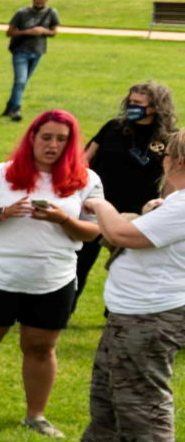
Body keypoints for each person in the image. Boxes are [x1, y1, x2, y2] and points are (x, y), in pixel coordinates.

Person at [0, 110, 102, 435]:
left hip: (53, 280)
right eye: (46, 137)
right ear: (32, 137)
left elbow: (92, 233)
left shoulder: (87, 180)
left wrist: (62, 219)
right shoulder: (1, 174)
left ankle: (36, 416)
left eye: (62, 139)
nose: (53, 145)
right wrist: (4, 213)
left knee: (41, 349)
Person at [63, 135, 185, 442]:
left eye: (166, 155)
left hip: (153, 312)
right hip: (132, 308)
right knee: (107, 384)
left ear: (176, 162)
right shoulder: (175, 202)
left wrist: (99, 204)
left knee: (141, 394)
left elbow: (121, 234)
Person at [75, 83, 177, 299]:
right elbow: (84, 159)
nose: (132, 106)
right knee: (79, 263)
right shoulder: (113, 127)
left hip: (136, 216)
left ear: (156, 107)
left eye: (139, 103)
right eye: (130, 102)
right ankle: (63, 313)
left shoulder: (168, 139)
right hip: (95, 207)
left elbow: (172, 176)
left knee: (126, 268)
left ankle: (113, 315)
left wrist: (164, 205)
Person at [3, 0, 61, 122]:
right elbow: (9, 32)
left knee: (22, 82)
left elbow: (54, 32)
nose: (39, 5)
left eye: (42, 3)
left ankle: (10, 106)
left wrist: (43, 31)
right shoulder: (22, 13)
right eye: (37, 2)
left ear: (46, 1)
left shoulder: (51, 13)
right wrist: (27, 32)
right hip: (21, 51)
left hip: (38, 51)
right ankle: (16, 109)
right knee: (21, 81)